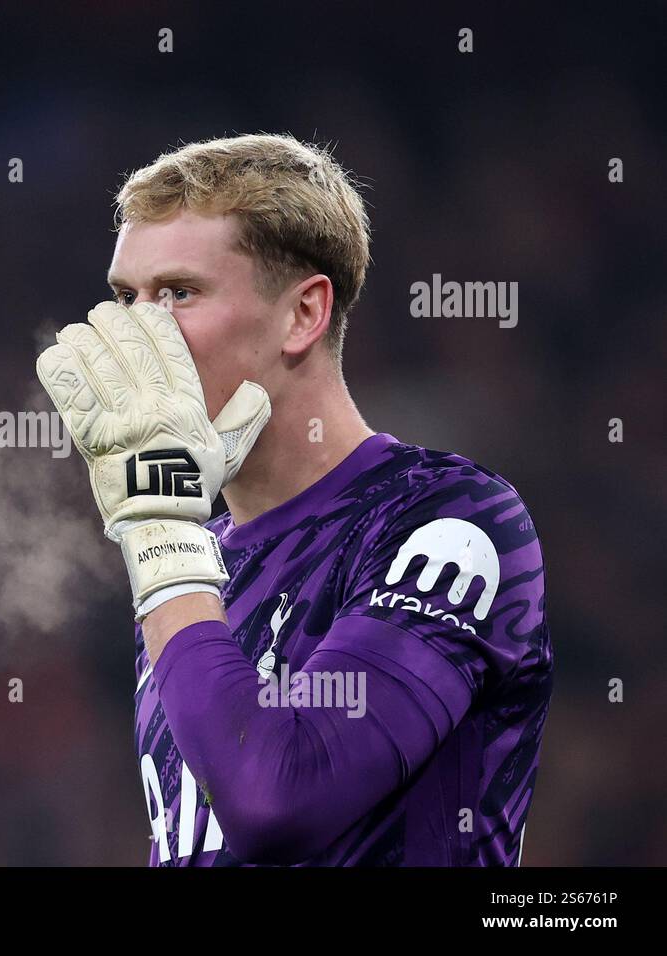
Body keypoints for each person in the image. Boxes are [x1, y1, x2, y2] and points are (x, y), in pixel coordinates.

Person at [36, 134, 553, 866]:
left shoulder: (453, 520)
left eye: (178, 293)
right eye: (127, 297)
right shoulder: (193, 559)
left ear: (304, 315)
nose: (136, 332)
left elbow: (277, 802)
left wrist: (160, 527)